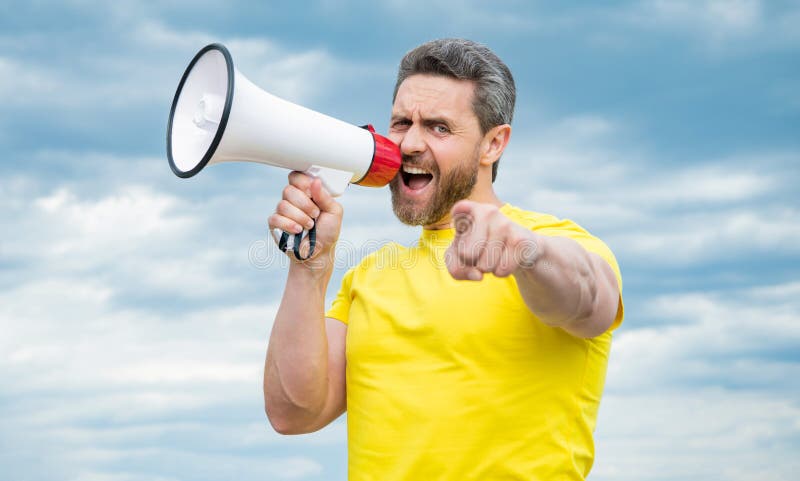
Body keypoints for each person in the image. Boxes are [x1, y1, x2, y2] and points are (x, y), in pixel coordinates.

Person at [263, 38, 624, 481]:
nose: (410, 143)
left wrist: (529, 253)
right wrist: (308, 268)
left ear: (494, 143)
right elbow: (293, 412)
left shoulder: (555, 242)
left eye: (438, 127)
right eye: (400, 123)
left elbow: (591, 303)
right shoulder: (371, 276)